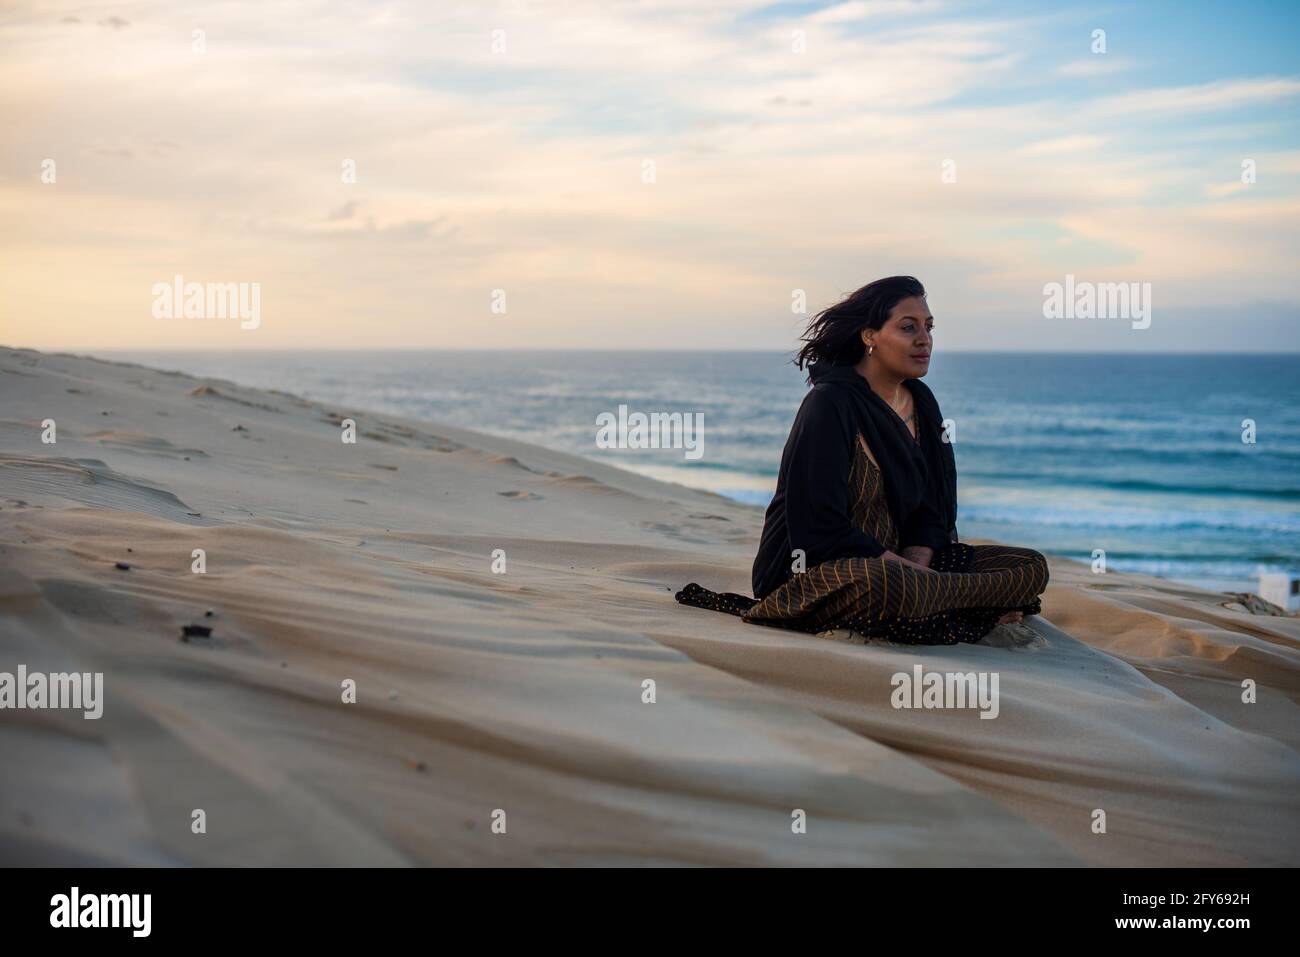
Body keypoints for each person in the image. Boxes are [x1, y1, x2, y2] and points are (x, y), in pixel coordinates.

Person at [676, 276, 1049, 645]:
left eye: (929, 327)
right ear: (870, 336)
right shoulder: (829, 405)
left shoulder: (921, 402)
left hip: (905, 568)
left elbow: (930, 507)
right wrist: (914, 577)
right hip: (820, 572)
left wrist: (919, 567)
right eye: (908, 327)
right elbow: (820, 529)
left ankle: (943, 599)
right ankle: (966, 601)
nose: (925, 340)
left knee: (1029, 566)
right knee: (888, 585)